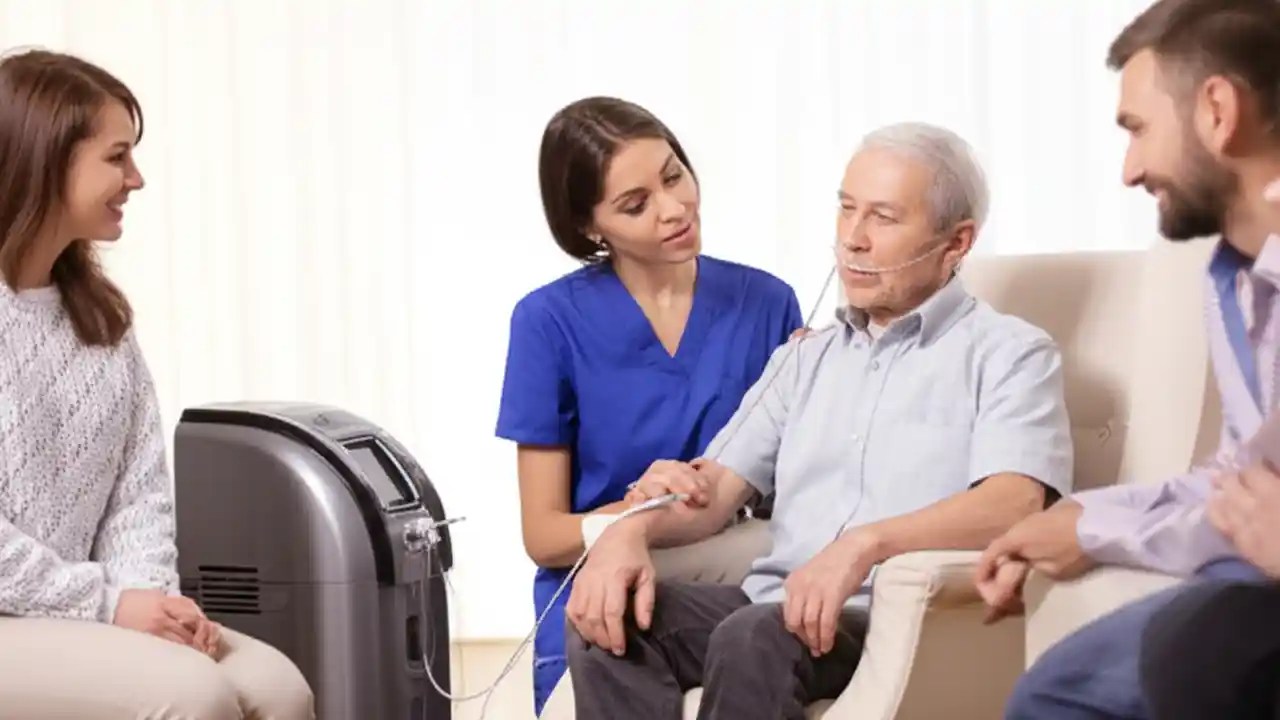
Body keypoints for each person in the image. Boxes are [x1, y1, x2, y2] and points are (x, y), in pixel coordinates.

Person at [562, 122, 1074, 720]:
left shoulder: (1010, 353)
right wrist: (626, 533)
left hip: (896, 623)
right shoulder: (805, 358)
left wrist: (864, 544)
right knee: (608, 616)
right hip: (771, 611)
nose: (852, 239)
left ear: (955, 243)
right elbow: (714, 493)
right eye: (846, 209)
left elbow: (1014, 504)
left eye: (882, 218)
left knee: (753, 634)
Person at [973, 1, 1280, 718]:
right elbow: (1242, 487)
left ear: (1216, 109)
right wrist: (1082, 521)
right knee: (1058, 692)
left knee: (1199, 647)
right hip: (1253, 578)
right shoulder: (1234, 280)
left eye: (1137, 130)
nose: (1129, 170)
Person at [0, 49, 313, 719]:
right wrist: (114, 606)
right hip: (24, 615)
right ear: (45, 160)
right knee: (190, 696)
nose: (135, 179)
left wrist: (157, 605)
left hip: (81, 611)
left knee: (280, 688)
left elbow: (137, 496)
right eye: (116, 157)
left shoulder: (99, 320)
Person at [494, 95, 804, 715]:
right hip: (604, 581)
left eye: (674, 177)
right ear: (589, 227)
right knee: (607, 637)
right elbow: (545, 534)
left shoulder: (767, 302)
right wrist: (643, 507)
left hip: (732, 577)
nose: (673, 210)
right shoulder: (548, 322)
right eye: (636, 205)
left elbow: (791, 496)